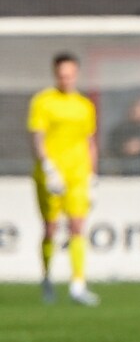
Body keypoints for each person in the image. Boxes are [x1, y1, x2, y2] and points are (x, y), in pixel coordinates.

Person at [28, 52, 100, 306]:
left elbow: (90, 142)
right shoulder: (43, 101)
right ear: (55, 74)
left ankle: (78, 285)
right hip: (51, 175)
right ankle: (47, 277)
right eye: (61, 74)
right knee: (50, 229)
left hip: (77, 175)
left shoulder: (84, 106)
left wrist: (92, 176)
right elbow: (37, 136)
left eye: (69, 74)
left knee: (78, 226)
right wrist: (47, 166)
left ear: (76, 74)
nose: (66, 78)